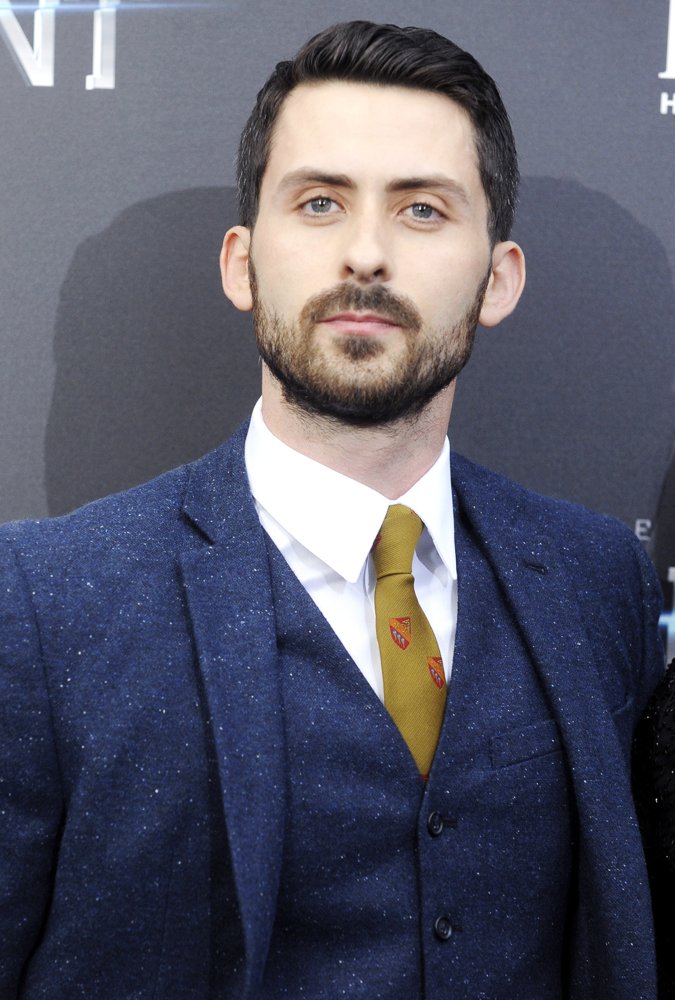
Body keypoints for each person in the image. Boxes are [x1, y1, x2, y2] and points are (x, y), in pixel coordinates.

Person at [0, 20, 665, 1000]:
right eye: (319, 202)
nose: (365, 253)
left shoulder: (597, 576)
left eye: (423, 211)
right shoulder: (44, 603)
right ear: (242, 263)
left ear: (499, 278)